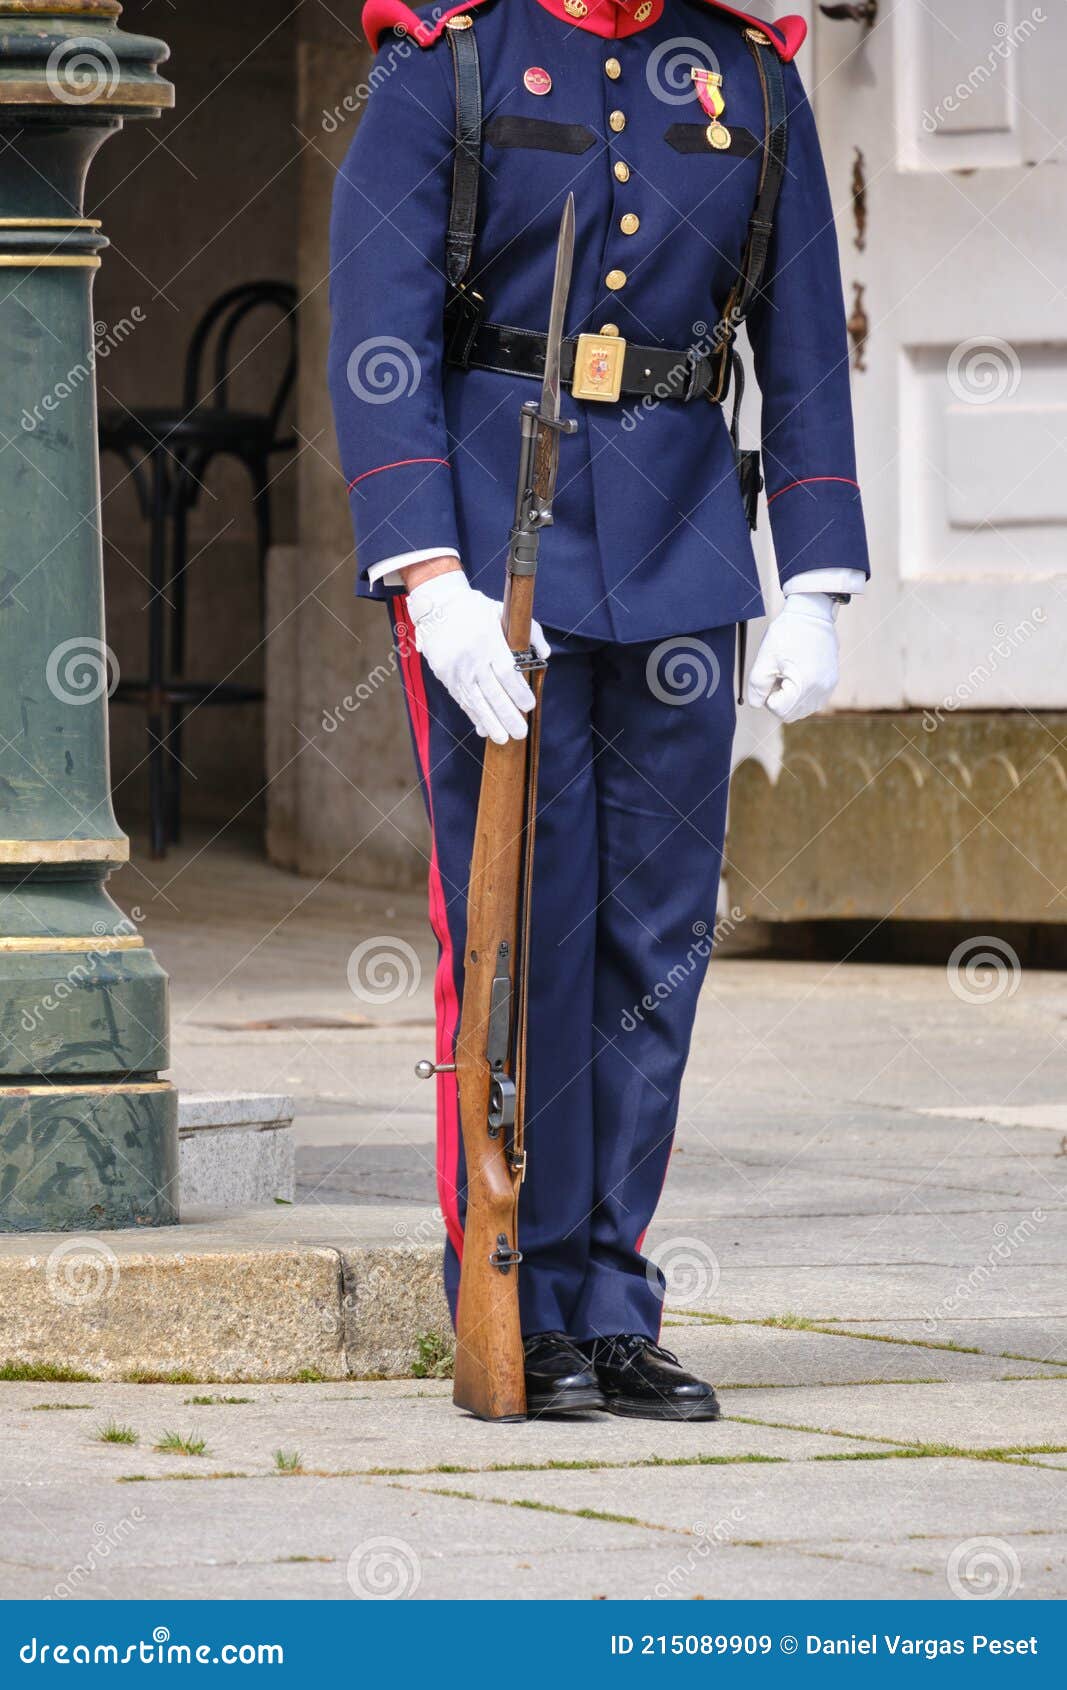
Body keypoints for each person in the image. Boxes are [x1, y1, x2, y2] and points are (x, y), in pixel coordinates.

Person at [329, 0, 869, 1419]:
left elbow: (805, 339)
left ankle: (612, 1300)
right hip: (497, 546)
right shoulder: (448, 66)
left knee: (655, 939)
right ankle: (514, 1283)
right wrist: (428, 575)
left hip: (686, 549)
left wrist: (816, 574)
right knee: (519, 927)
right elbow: (379, 332)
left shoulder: (749, 79)